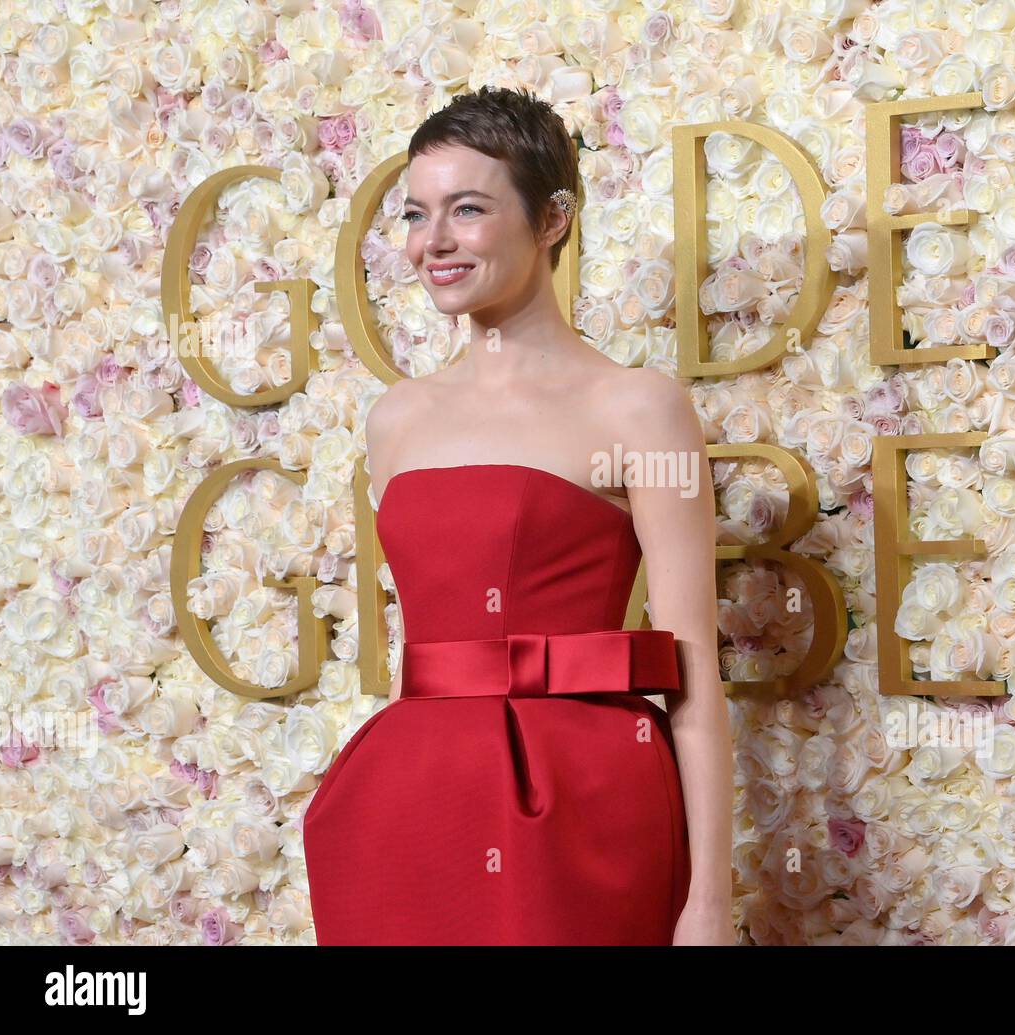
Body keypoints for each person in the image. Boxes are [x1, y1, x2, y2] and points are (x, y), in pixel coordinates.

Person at [302, 86, 736, 945]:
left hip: (586, 803)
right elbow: (417, 657)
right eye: (418, 215)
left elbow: (694, 672)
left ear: (553, 219)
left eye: (468, 209)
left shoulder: (638, 407)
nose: (435, 242)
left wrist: (709, 904)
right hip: (410, 806)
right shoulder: (397, 419)